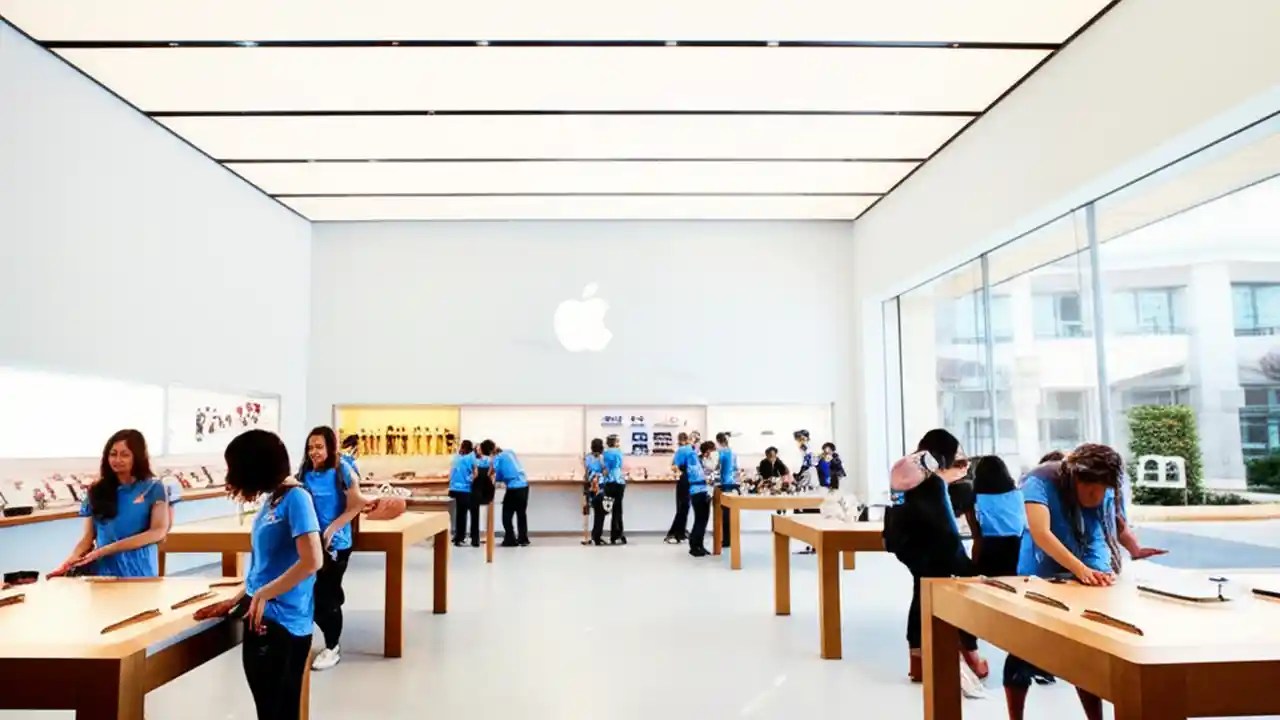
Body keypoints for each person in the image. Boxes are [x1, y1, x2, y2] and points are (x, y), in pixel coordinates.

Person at [194, 430, 323, 720]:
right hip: (265, 615)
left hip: (284, 623)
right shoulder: (272, 500)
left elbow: (313, 560)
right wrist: (238, 598)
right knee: (271, 711)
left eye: (234, 467)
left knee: (278, 711)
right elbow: (264, 569)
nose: (231, 476)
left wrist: (264, 594)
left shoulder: (297, 498)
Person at [1004, 444, 1126, 720]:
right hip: (1039, 573)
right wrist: (1081, 569)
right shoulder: (1040, 480)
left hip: (1081, 577)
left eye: (1103, 490)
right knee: (1023, 648)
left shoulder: (1107, 486)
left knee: (1086, 655)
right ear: (1076, 479)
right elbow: (1041, 533)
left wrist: (1099, 570)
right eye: (1091, 489)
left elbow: (1101, 532)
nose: (1097, 496)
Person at [885, 429, 987, 684]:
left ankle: (917, 660)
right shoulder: (933, 483)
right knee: (966, 588)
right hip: (935, 547)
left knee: (922, 591)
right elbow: (945, 528)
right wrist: (966, 565)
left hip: (905, 544)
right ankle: (970, 652)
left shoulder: (911, 472)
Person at [51, 429, 170, 578]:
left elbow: (158, 532)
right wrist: (68, 563)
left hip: (140, 571)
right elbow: (88, 538)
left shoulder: (153, 488)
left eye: (125, 455)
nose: (117, 460)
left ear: (137, 457)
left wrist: (105, 550)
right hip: (104, 573)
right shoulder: (96, 490)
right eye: (113, 454)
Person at [298, 426, 364, 671]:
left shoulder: (342, 470)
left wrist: (332, 529)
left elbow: (356, 505)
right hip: (310, 545)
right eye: (310, 447)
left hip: (335, 546)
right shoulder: (304, 472)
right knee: (308, 594)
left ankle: (333, 646)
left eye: (319, 447)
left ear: (330, 448)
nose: (314, 451)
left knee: (327, 598)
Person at [492, 442, 531, 547]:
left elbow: (497, 474)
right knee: (521, 513)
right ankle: (523, 539)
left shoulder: (497, 458)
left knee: (506, 514)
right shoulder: (509, 452)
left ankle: (510, 539)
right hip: (524, 485)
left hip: (514, 488)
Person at [686, 441, 717, 557]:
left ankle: (700, 545)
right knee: (700, 520)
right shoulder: (695, 460)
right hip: (698, 492)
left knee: (703, 520)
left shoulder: (702, 461)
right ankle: (694, 546)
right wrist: (707, 480)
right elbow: (697, 476)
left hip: (703, 491)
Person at [664, 432, 694, 544]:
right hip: (691, 479)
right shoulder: (691, 450)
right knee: (685, 507)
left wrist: (679, 472)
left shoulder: (681, 450)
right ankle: (679, 532)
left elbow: (674, 466)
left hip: (684, 479)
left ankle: (675, 532)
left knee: (682, 507)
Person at [449, 440, 478, 547]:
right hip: (465, 489)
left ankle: (458, 536)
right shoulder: (471, 457)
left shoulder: (457, 457)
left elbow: (452, 471)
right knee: (463, 514)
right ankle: (460, 537)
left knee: (459, 514)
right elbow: (475, 473)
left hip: (454, 488)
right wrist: (469, 480)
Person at [603, 435, 627, 545]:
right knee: (618, 509)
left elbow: (605, 467)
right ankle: (617, 534)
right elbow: (620, 465)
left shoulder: (605, 453)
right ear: (616, 442)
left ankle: (613, 535)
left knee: (610, 508)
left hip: (608, 482)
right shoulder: (618, 452)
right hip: (618, 481)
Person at [715, 433, 738, 548]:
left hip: (724, 483)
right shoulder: (733, 452)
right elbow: (736, 468)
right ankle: (730, 539)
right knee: (730, 512)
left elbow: (717, 467)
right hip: (733, 483)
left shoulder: (721, 453)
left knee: (725, 513)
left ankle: (726, 540)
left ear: (718, 441)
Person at [586, 438, 608, 546]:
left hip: (591, 486)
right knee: (601, 513)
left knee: (596, 512)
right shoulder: (602, 458)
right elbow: (605, 472)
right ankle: (597, 536)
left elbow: (586, 472)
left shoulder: (587, 458)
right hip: (600, 486)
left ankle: (595, 535)